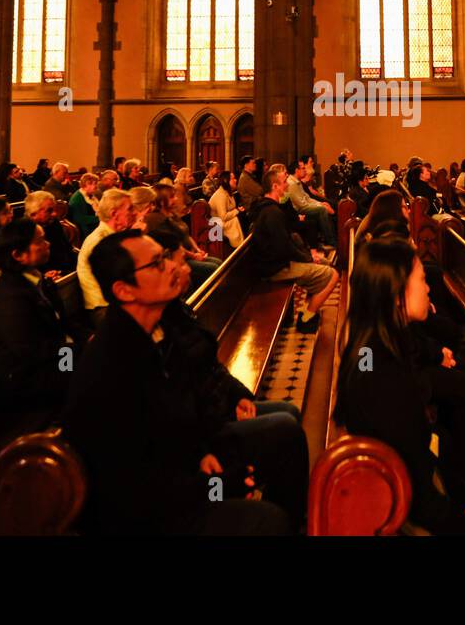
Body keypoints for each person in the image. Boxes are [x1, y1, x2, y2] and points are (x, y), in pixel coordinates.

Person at [62, 228, 303, 535]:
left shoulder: (160, 326)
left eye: (165, 257)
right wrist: (215, 483)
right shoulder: (111, 364)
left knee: (284, 431)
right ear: (124, 290)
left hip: (185, 463)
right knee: (267, 521)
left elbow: (184, 414)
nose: (173, 266)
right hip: (146, 513)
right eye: (158, 263)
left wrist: (206, 453)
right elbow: (134, 478)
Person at [334, 235, 465, 535]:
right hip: (399, 515)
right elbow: (421, 503)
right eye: (423, 280)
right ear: (397, 295)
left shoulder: (379, 344)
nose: (428, 289)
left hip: (414, 490)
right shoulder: (382, 379)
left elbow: (424, 450)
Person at [0, 218, 78, 409]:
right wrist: (76, 351)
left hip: (53, 360)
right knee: (91, 370)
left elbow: (62, 324)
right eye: (40, 241)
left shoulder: (37, 280)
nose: (47, 243)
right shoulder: (11, 298)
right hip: (25, 378)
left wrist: (88, 339)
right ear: (18, 254)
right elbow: (32, 351)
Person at [248, 165, 337, 334]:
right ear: (274, 187)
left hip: (278, 261)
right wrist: (309, 258)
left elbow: (288, 241)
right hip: (275, 268)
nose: (287, 185)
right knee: (332, 275)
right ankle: (307, 317)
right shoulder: (271, 212)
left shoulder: (270, 208)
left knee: (325, 263)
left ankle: (306, 309)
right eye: (283, 183)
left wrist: (309, 255)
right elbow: (284, 247)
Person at [76, 188, 138, 319]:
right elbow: (120, 281)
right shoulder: (99, 241)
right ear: (114, 214)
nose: (135, 213)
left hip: (117, 302)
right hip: (104, 308)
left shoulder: (115, 236)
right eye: (130, 209)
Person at [285, 158, 336, 248]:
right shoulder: (292, 183)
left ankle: (331, 237)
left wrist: (321, 203)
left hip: (304, 206)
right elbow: (301, 205)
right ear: (297, 170)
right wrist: (320, 206)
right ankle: (330, 241)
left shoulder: (297, 182)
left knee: (325, 205)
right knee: (322, 210)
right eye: (303, 168)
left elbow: (307, 198)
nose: (305, 170)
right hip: (299, 211)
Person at [26, 190, 78, 274]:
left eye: (54, 209)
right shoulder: (25, 231)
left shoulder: (54, 223)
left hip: (66, 271)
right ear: (33, 214)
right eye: (49, 210)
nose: (54, 214)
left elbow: (68, 248)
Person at [208, 170, 244, 249]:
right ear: (226, 181)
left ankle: (244, 245)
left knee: (243, 216)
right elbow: (223, 217)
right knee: (238, 219)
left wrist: (238, 210)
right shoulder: (220, 195)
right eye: (233, 179)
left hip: (223, 220)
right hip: (216, 224)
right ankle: (239, 248)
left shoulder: (227, 192)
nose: (236, 180)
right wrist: (237, 211)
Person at [67, 172, 101, 238]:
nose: (95, 186)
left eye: (96, 183)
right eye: (93, 184)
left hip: (92, 224)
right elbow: (79, 219)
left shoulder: (91, 195)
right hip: (84, 229)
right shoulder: (78, 198)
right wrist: (99, 218)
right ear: (85, 184)